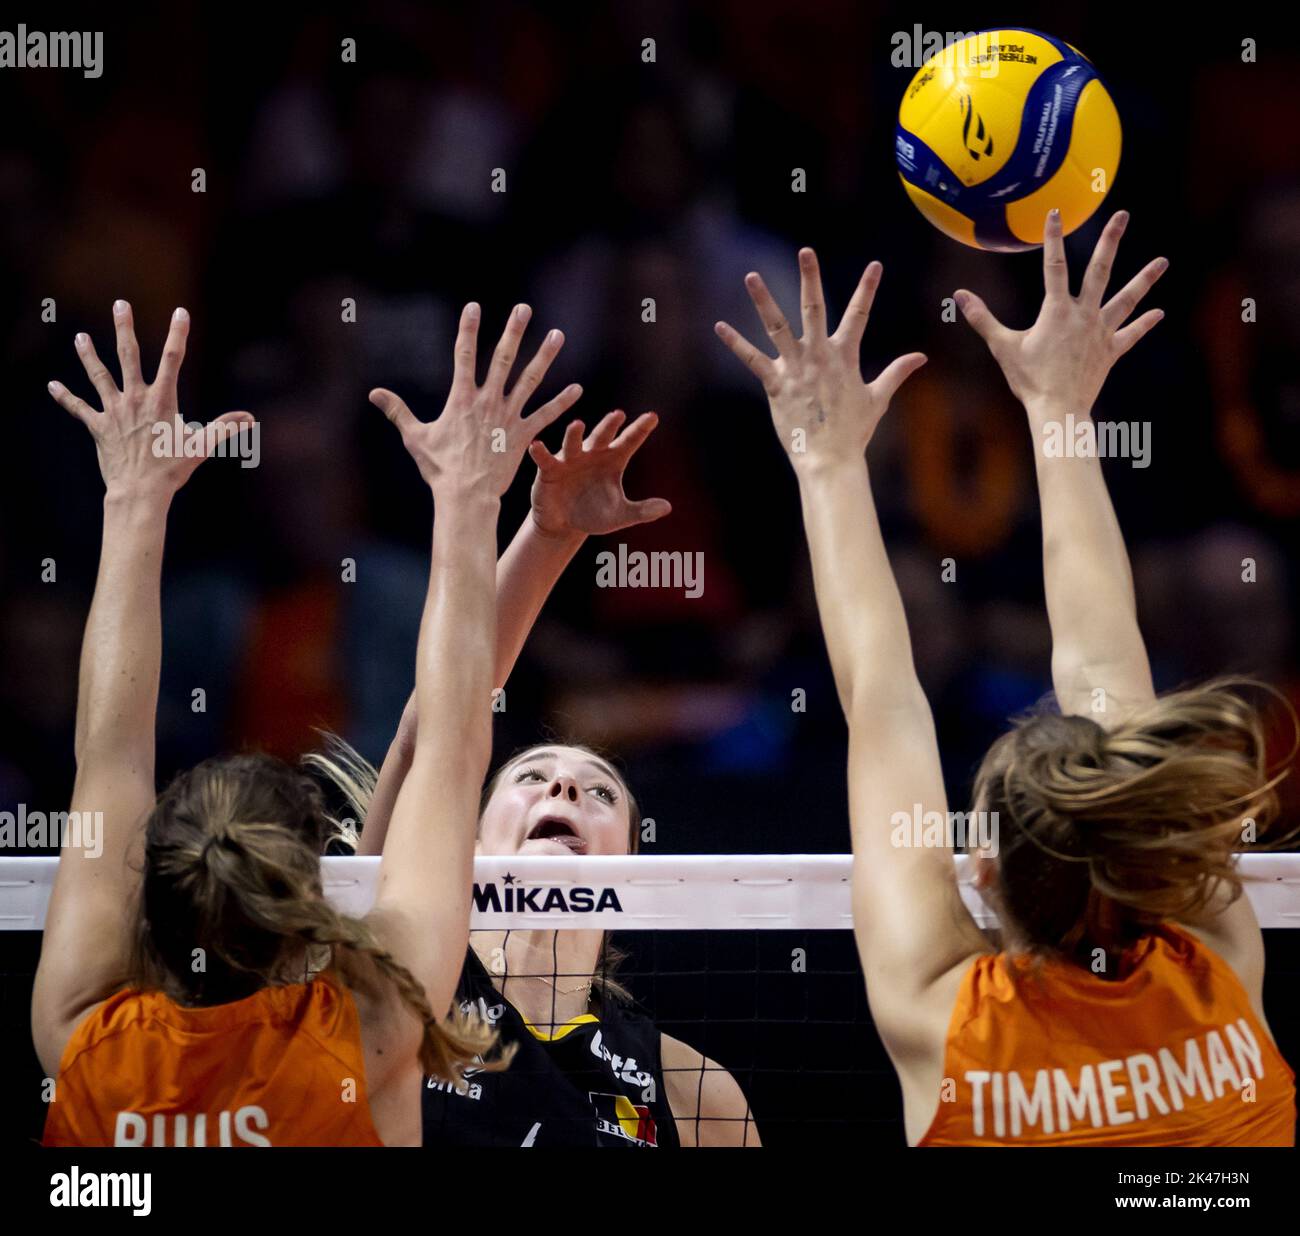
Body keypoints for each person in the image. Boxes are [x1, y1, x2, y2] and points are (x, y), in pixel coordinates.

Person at [715, 211, 1297, 1146]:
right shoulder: (1215, 970)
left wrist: (823, 461)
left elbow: (883, 705)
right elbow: (1091, 667)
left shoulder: (952, 1028)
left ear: (982, 872)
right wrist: (1062, 411)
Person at [34, 297, 571, 1145]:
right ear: (313, 886)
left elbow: (104, 753)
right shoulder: (366, 1036)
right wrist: (470, 495)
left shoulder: (82, 1044)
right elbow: (454, 737)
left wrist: (131, 501)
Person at [315, 408, 759, 1147]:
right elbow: (436, 734)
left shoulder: (695, 1089)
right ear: (466, 835)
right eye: (530, 778)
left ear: (632, 864)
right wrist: (551, 537)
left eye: (602, 791)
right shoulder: (396, 976)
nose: (565, 790)